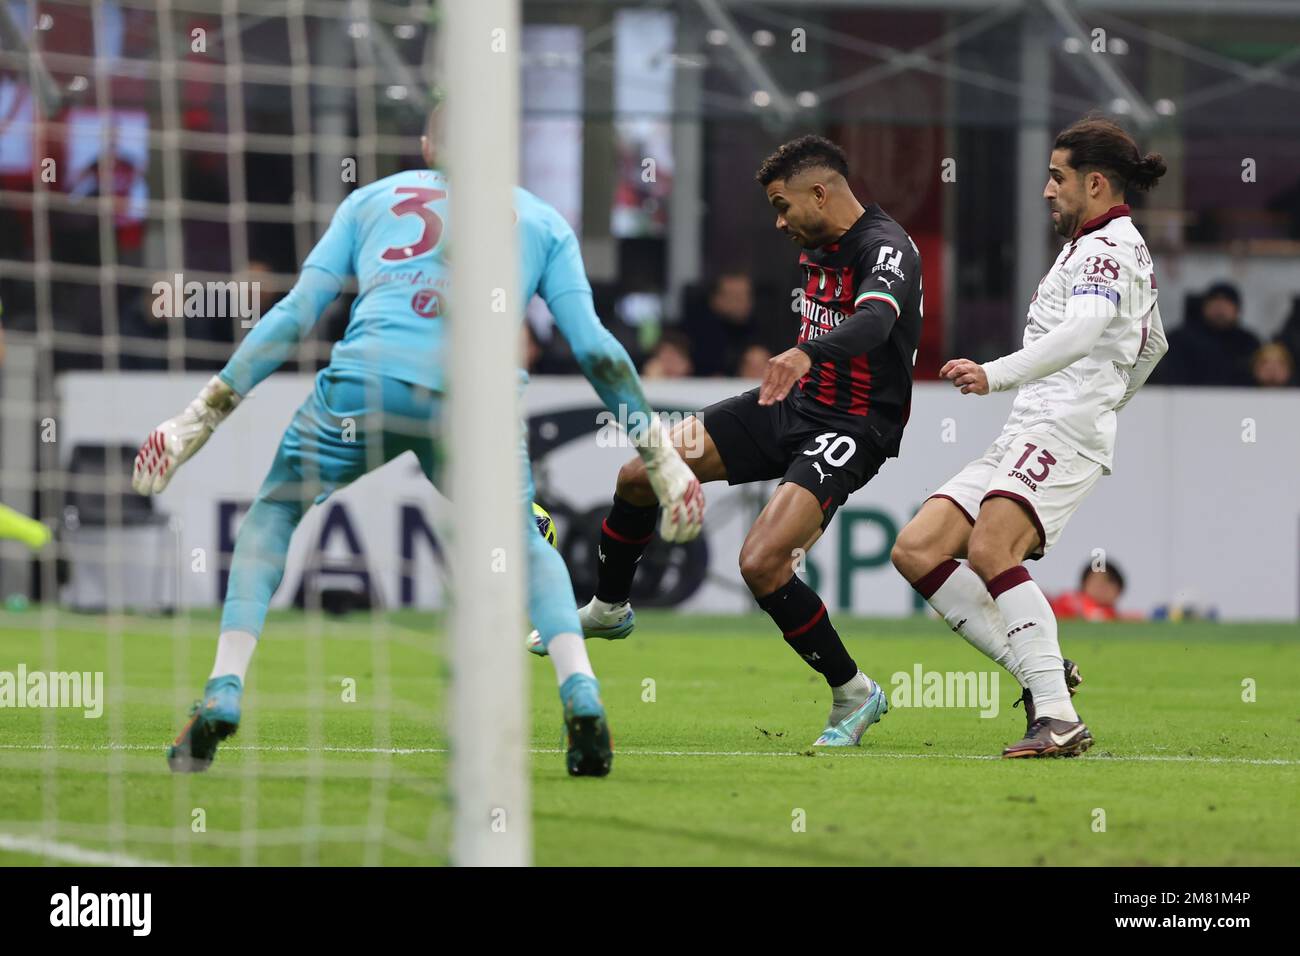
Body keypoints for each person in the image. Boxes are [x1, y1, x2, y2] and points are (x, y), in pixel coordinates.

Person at [132, 107, 704, 778]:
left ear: (428, 145)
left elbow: (293, 316)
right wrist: (659, 455)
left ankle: (225, 687)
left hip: (364, 389)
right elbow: (597, 351)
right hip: (475, 401)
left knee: (276, 514)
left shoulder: (372, 200)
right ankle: (579, 688)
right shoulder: (543, 222)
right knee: (522, 539)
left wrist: (198, 418)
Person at [562, 135, 925, 747]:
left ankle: (853, 692)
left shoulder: (884, 248)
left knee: (759, 563)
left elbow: (875, 322)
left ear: (820, 192)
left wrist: (805, 353)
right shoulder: (817, 240)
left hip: (852, 426)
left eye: (784, 206)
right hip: (789, 408)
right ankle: (609, 606)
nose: (779, 222)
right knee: (639, 473)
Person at [891, 114, 1169, 758]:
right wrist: (1111, 399)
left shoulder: (1104, 249)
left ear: (1095, 184)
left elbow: (1078, 335)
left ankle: (1057, 718)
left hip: (1059, 430)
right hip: (1035, 428)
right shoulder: (1103, 244)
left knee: (992, 547)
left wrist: (996, 375)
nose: (1047, 190)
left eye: (1057, 177)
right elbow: (1152, 343)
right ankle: (1043, 678)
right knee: (918, 548)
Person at [1156, 282, 1259, 386]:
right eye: (1215, 302)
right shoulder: (1179, 340)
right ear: (1204, 307)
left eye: (1226, 304)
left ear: (1237, 310)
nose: (1220, 308)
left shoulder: (1248, 343)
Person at [1050, 561, 1127, 621]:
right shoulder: (1067, 602)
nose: (1102, 587)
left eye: (1110, 581)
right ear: (1084, 584)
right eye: (1096, 581)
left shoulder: (1117, 618)